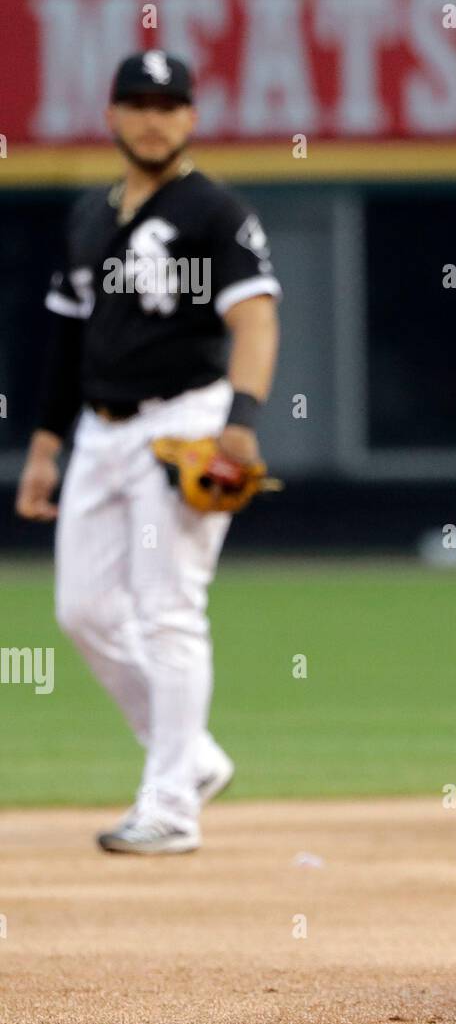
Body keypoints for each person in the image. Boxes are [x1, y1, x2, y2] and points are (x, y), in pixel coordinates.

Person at [15, 51, 282, 856]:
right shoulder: (91, 216)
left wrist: (239, 417)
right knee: (85, 610)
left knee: (168, 606)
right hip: (98, 429)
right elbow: (68, 340)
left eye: (168, 104)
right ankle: (192, 757)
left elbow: (257, 318)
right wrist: (44, 446)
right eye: (137, 102)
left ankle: (169, 806)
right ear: (112, 115)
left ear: (192, 118)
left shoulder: (215, 210)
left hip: (186, 423)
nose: (153, 117)